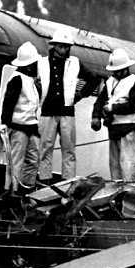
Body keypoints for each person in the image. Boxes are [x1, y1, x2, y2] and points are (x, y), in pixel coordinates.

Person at [38, 28, 84, 184]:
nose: (64, 49)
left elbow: (93, 79)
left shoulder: (75, 63)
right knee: (45, 149)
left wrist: (78, 96)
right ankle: (44, 183)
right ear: (55, 45)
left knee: (69, 150)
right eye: (61, 46)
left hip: (67, 112)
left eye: (67, 46)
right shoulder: (42, 63)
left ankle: (68, 184)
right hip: (48, 111)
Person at [92, 49, 135, 182]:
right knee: (114, 163)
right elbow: (100, 100)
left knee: (127, 162)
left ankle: (129, 191)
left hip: (129, 127)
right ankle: (116, 193)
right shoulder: (110, 82)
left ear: (125, 68)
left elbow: (134, 105)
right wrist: (96, 116)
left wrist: (113, 108)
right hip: (114, 127)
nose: (115, 73)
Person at [0, 42, 43, 194]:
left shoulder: (29, 80)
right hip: (18, 126)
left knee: (33, 159)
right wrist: (4, 123)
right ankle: (11, 190)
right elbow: (8, 103)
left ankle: (27, 189)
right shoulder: (17, 79)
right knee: (15, 161)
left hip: (31, 126)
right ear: (30, 64)